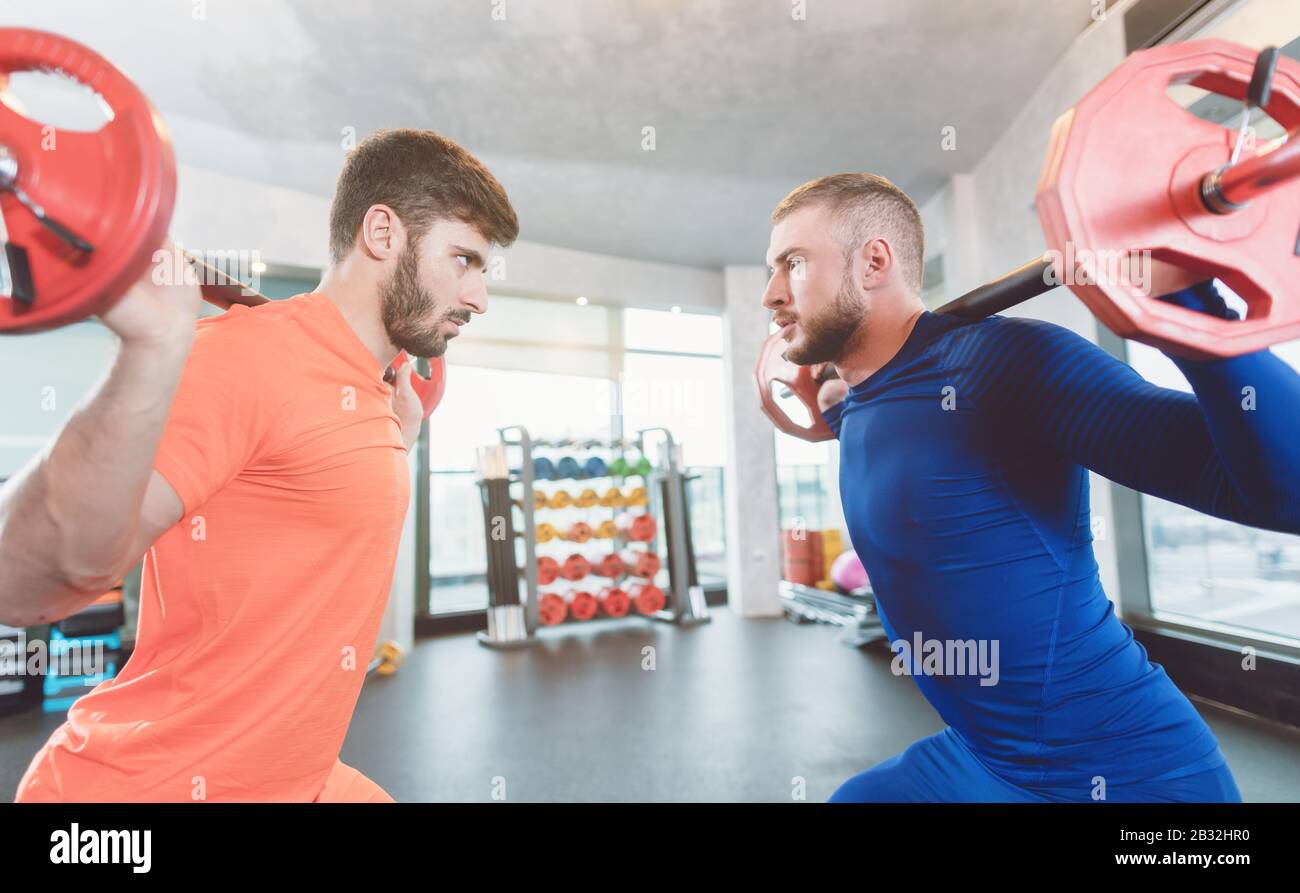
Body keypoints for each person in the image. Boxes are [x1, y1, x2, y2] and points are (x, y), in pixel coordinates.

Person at [0, 129, 518, 802]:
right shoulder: (240, 358)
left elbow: (313, 514)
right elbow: (21, 587)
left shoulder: (375, 394)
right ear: (384, 233)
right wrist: (153, 350)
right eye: (465, 260)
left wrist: (401, 439)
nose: (479, 296)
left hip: (297, 778)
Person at [762, 172, 1300, 802]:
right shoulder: (857, 404)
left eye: (792, 263)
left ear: (873, 261)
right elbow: (863, 413)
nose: (771, 294)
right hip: (984, 758)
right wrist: (819, 392)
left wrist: (1192, 310)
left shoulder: (1004, 364)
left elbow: (1282, 494)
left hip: (1133, 773)